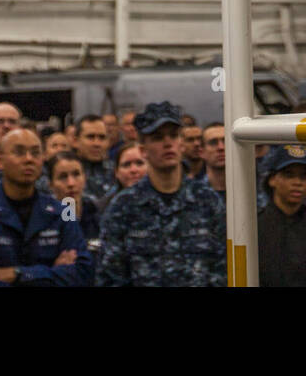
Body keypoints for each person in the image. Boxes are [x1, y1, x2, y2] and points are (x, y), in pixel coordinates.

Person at [96, 102, 225, 287]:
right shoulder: (123, 207)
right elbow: (110, 276)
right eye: (157, 138)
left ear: (181, 144)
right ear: (142, 150)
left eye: (173, 136)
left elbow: (223, 269)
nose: (167, 143)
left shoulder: (207, 201)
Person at [0, 128, 91, 287]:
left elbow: (81, 273)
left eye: (35, 153)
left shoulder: (64, 212)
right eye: (19, 152)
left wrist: (16, 274)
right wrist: (50, 273)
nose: (28, 159)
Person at [258, 145, 306, 287]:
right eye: (289, 175)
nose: (297, 183)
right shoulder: (255, 225)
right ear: (272, 179)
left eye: (303, 176)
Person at [47, 151, 101, 248]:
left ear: (84, 178)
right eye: (63, 177)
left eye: (76, 174)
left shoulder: (97, 214)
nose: (71, 183)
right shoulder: (45, 219)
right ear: (51, 184)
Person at [69, 114, 116, 200]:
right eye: (90, 137)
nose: (97, 143)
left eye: (102, 138)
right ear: (75, 141)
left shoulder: (117, 172)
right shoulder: (66, 174)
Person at [97, 141, 147, 212]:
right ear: (116, 172)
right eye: (126, 165)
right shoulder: (104, 208)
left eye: (139, 163)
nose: (133, 170)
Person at [193, 122, 226, 203]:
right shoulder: (192, 193)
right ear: (201, 152)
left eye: (225, 141)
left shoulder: (251, 188)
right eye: (213, 143)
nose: (221, 147)